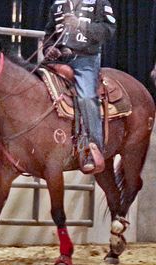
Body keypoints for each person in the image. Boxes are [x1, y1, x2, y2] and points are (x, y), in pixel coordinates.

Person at [43, 0, 116, 174]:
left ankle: (93, 148)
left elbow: (108, 30)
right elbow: (49, 34)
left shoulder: (99, 2)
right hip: (59, 60)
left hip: (86, 60)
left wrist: (80, 25)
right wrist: (48, 49)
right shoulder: (57, 5)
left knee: (86, 97)